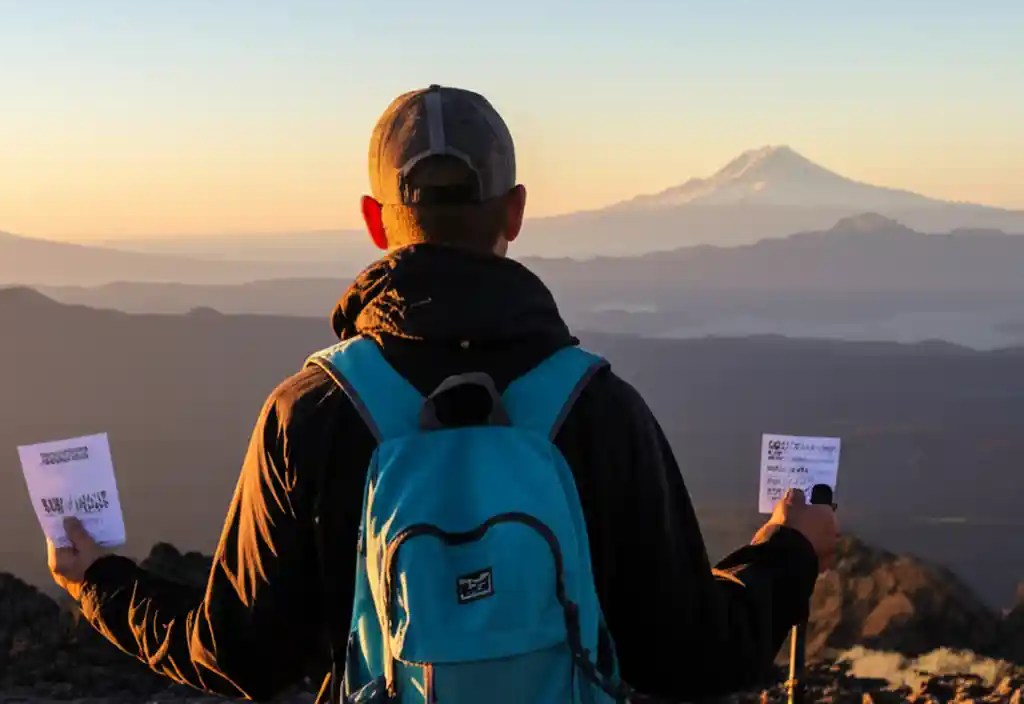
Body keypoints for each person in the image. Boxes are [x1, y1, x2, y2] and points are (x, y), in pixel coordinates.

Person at [47, 84, 839, 702]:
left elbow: (237, 653)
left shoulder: (310, 412)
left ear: (372, 220)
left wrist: (99, 585)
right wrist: (792, 549)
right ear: (516, 212)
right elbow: (691, 652)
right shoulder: (596, 406)